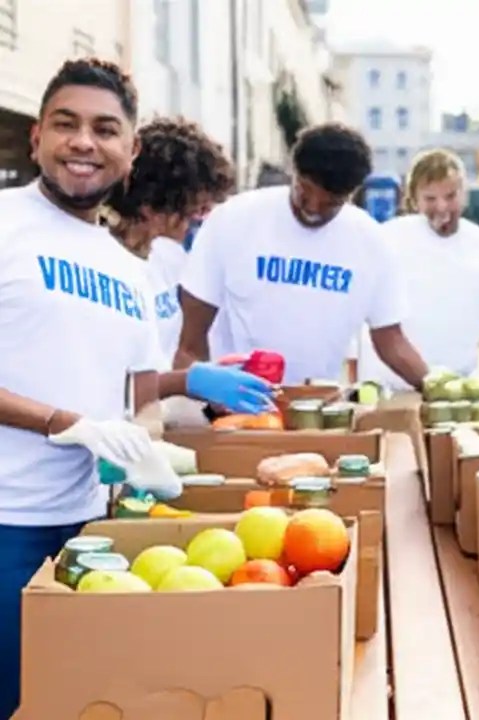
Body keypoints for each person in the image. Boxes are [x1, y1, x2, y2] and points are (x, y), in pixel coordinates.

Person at [0, 58, 269, 718]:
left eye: (104, 128)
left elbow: (137, 391)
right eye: (66, 124)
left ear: (130, 150)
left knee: (74, 702)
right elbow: (77, 412)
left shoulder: (126, 271)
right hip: (5, 525)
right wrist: (65, 422)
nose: (84, 142)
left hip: (87, 529)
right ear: (37, 138)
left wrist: (148, 438)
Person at [173, 123, 431, 388]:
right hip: (231, 408)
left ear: (351, 195)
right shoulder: (232, 220)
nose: (312, 209)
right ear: (292, 172)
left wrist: (435, 387)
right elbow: (189, 342)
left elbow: (391, 341)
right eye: (303, 193)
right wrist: (203, 400)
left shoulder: (372, 243)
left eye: (330, 203)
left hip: (318, 408)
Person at [355, 149, 479, 387]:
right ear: (414, 200)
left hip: (458, 387)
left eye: (451, 196)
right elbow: (364, 313)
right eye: (430, 199)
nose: (442, 207)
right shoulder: (388, 237)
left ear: (464, 194)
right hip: (393, 386)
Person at [104, 117, 237, 366]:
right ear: (154, 200)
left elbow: (172, 353)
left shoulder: (169, 257)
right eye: (194, 207)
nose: (199, 217)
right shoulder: (104, 261)